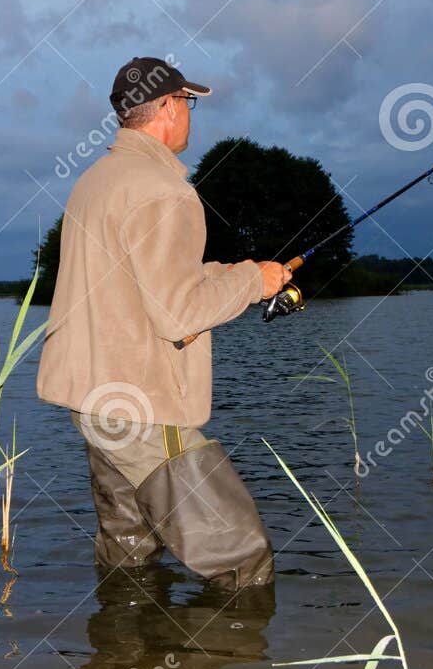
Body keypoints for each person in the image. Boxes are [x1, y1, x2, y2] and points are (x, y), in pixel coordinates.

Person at [36, 57, 291, 588]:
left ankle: (121, 659)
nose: (191, 114)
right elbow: (178, 313)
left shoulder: (97, 180)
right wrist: (255, 285)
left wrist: (242, 272)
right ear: (169, 107)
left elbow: (141, 281)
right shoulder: (166, 190)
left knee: (129, 552)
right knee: (241, 560)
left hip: (94, 401)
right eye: (188, 103)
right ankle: (232, 660)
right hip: (143, 408)